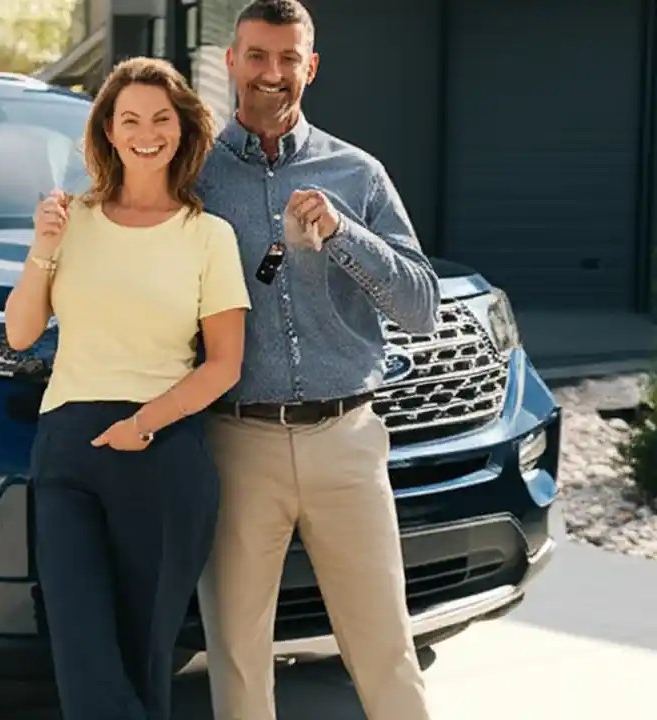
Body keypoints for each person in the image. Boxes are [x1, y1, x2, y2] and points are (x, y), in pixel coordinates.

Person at [193, 2, 441, 719]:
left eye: (289, 58)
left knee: (386, 647)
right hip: (234, 442)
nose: (274, 74)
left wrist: (342, 234)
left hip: (346, 443)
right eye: (259, 56)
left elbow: (421, 305)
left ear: (312, 66)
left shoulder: (358, 174)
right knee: (237, 657)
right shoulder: (194, 179)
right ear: (232, 61)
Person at [4, 57, 251, 720]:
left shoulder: (208, 237)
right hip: (66, 451)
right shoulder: (70, 220)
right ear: (108, 131)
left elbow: (224, 363)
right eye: (130, 119)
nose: (147, 132)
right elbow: (23, 333)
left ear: (183, 129)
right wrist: (42, 248)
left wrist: (145, 423)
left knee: (144, 658)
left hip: (162, 453)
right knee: (81, 650)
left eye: (161, 119)